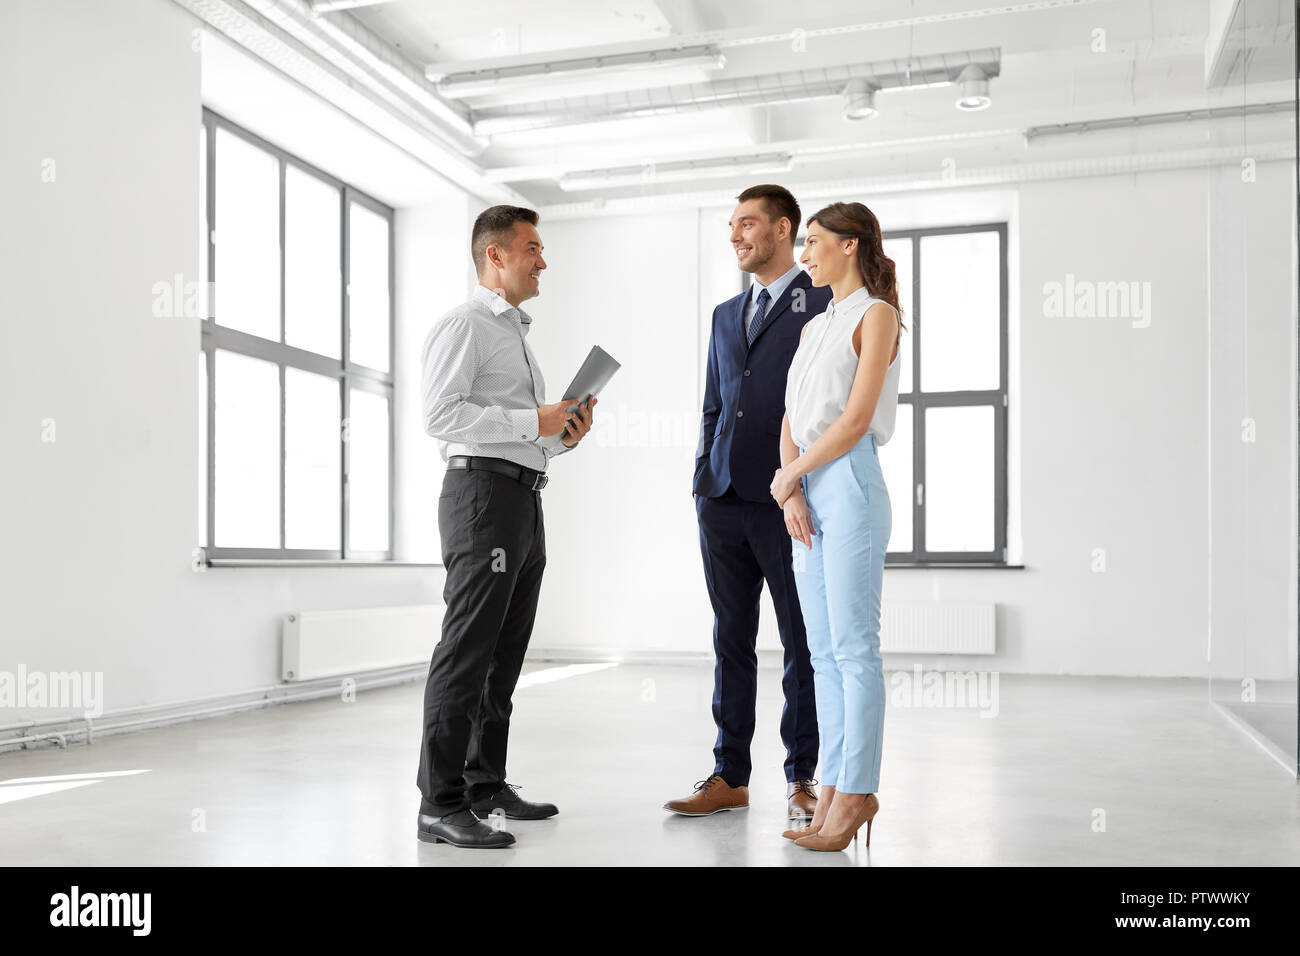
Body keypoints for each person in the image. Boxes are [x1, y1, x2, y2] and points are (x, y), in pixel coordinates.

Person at [415, 205, 597, 849]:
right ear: (496, 255)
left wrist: (561, 436)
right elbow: (441, 415)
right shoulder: (464, 325)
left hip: (522, 497)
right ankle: (439, 803)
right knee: (467, 651)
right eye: (532, 248)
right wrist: (534, 422)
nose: (542, 260)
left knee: (503, 655)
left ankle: (483, 783)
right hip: (481, 500)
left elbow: (526, 438)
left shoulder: (515, 337)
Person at [664, 185, 831, 820]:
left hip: (789, 499)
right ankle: (728, 773)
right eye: (732, 225)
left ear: (783, 229)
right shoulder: (723, 314)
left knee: (801, 642)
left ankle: (803, 778)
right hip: (722, 499)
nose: (737, 235)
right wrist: (702, 474)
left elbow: (825, 405)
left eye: (748, 224)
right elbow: (713, 402)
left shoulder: (820, 302)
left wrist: (799, 482)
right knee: (730, 639)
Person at [769, 201, 905, 851]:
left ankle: (857, 791)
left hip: (849, 481)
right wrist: (790, 485)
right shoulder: (813, 327)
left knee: (854, 650)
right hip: (806, 486)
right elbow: (792, 417)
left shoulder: (876, 316)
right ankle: (831, 789)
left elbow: (852, 421)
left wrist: (790, 475)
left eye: (814, 242)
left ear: (851, 246)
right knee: (820, 654)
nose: (804, 255)